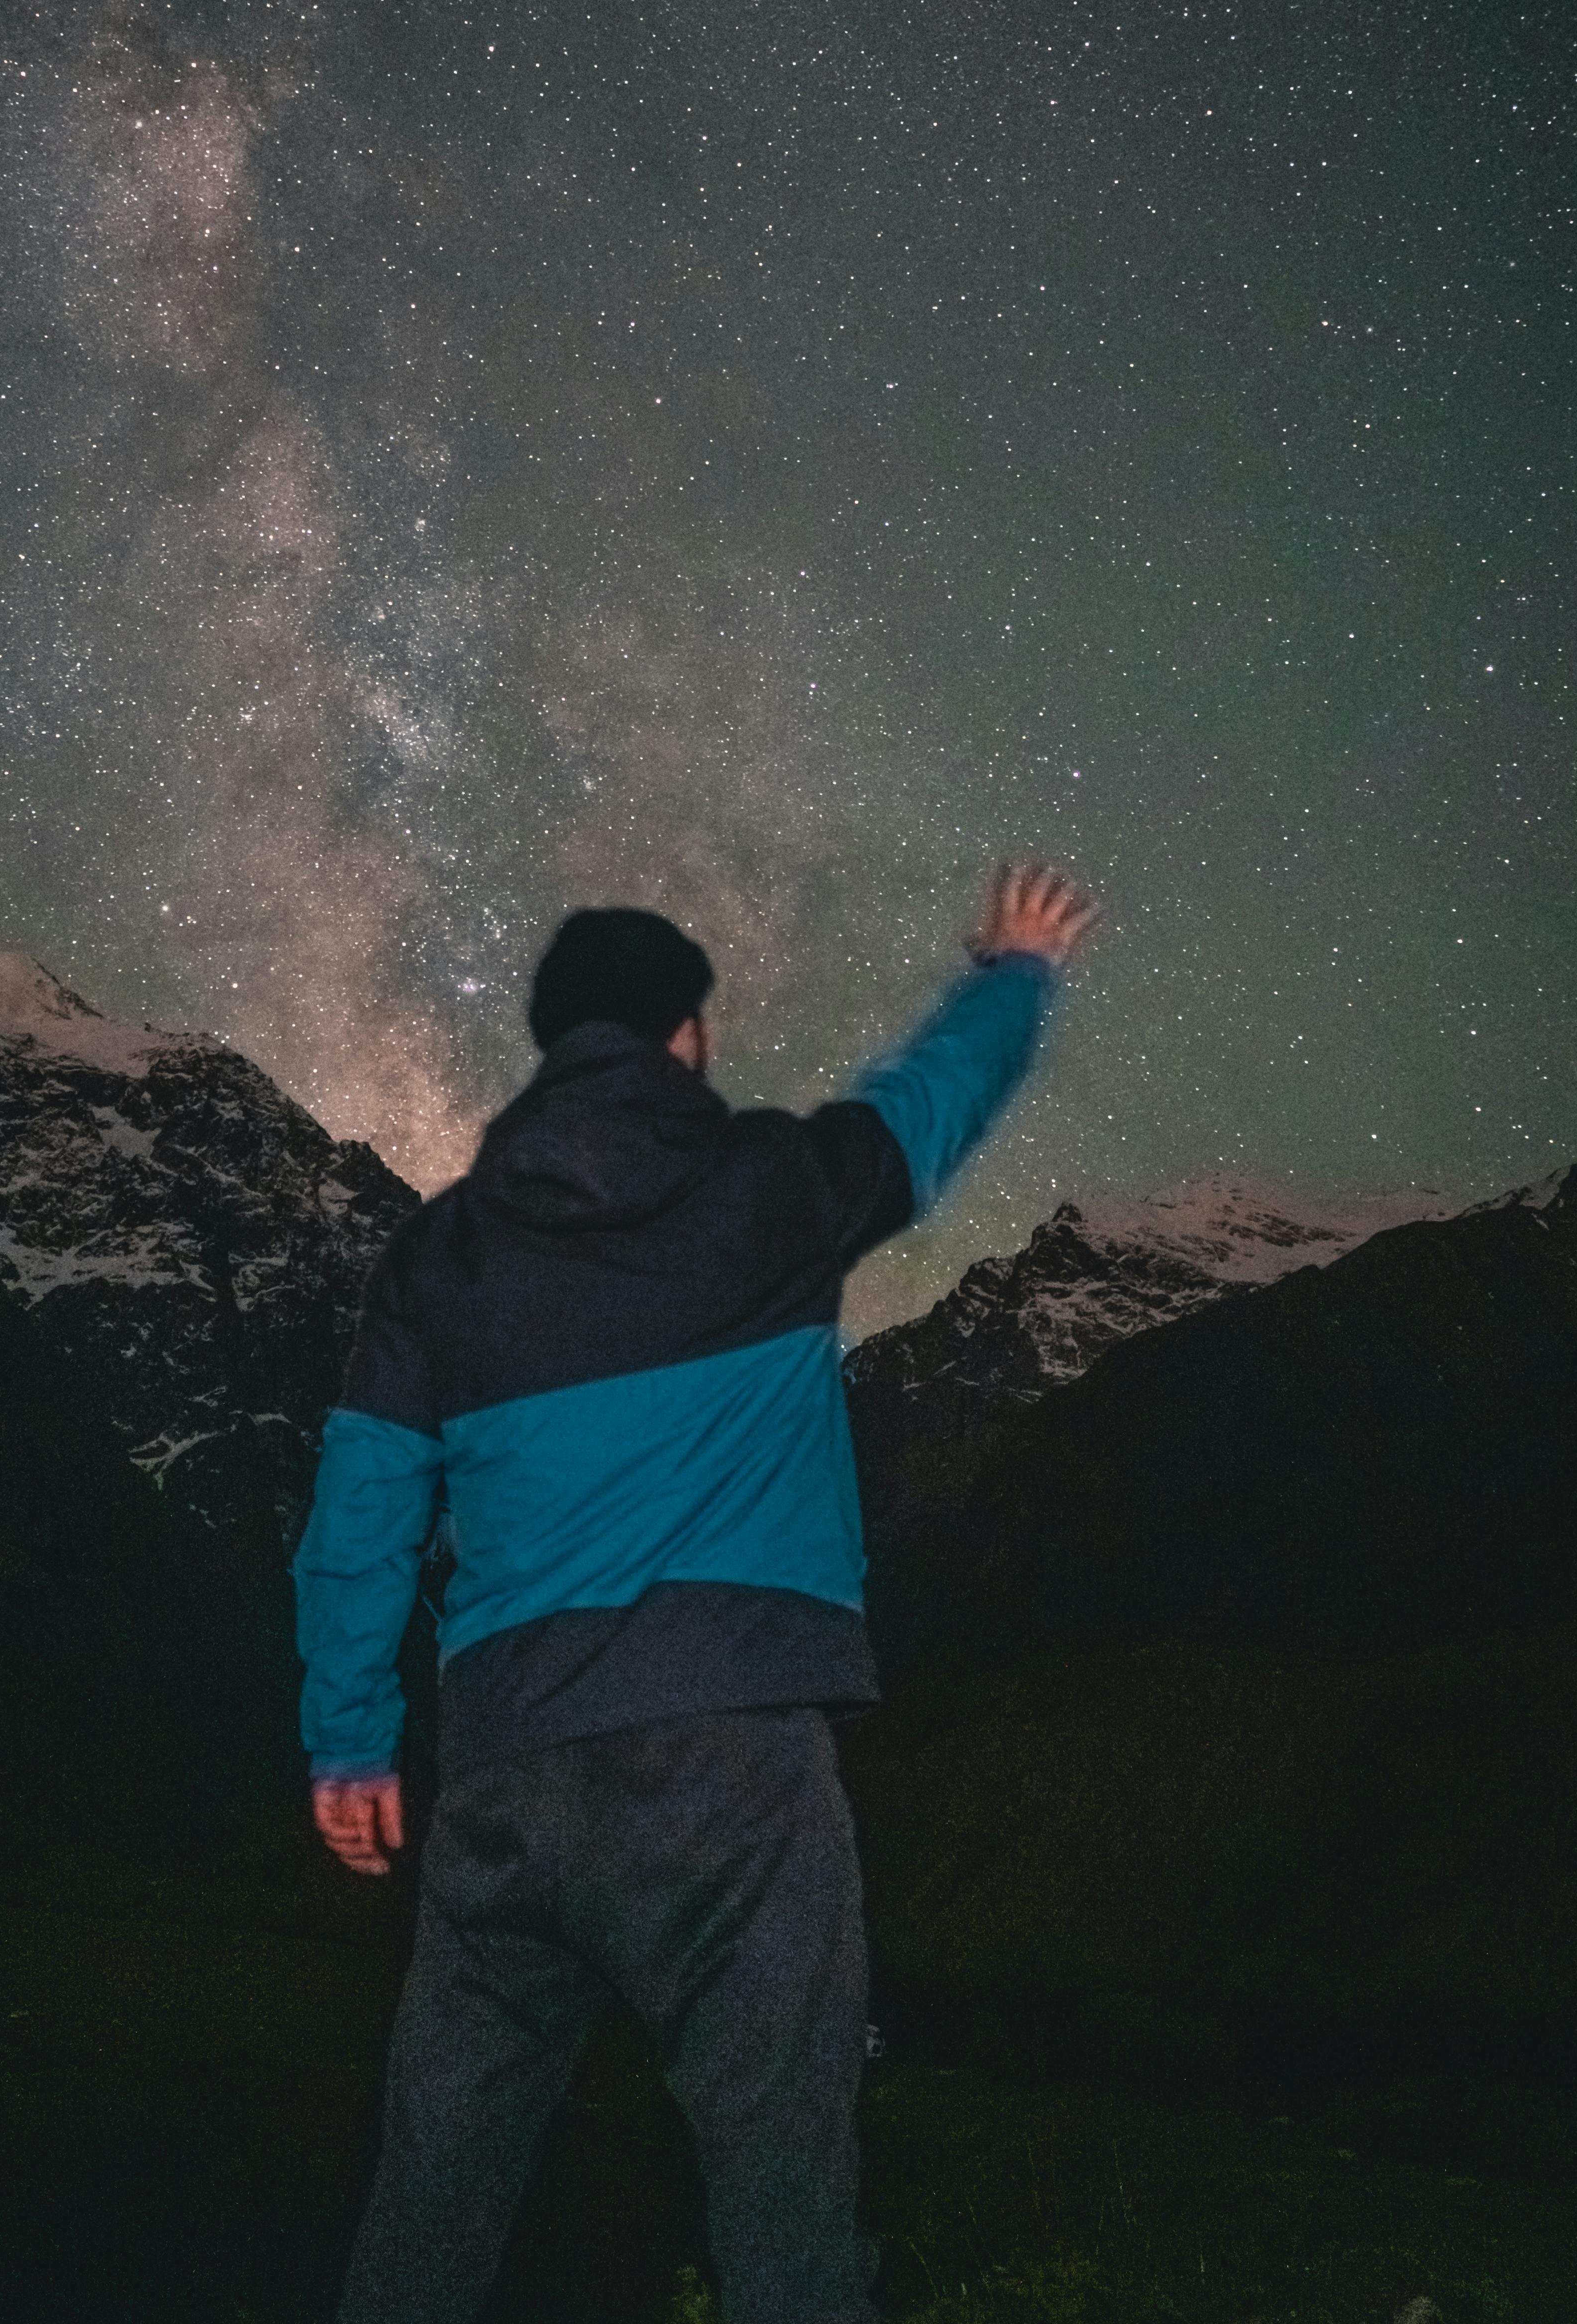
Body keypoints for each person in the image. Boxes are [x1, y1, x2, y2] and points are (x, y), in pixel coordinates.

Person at [295, 862, 1096, 2324]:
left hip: (504, 1778)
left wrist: (349, 1738)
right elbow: (930, 1104)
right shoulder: (770, 1191)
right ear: (688, 1034)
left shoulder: (436, 1260)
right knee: (782, 2190)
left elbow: (360, 1517)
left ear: (552, 1042)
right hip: (729, 1765)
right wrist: (1012, 970)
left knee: (435, 2190)